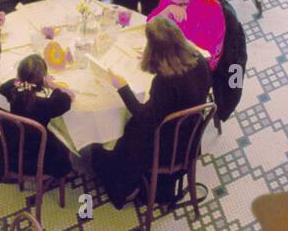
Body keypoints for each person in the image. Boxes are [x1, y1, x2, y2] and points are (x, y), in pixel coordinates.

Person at [84, 17, 212, 208]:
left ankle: (123, 184)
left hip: (165, 148)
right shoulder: (199, 60)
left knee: (126, 135)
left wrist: (123, 87)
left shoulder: (164, 82)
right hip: (190, 139)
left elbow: (144, 118)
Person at [0, 55, 75, 180]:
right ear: (42, 80)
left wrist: (28, 82)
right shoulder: (46, 105)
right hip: (34, 158)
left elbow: (8, 86)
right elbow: (66, 98)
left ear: (19, 75)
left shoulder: (10, 88)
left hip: (8, 149)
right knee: (63, 150)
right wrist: (52, 85)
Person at [148, 0, 226, 68]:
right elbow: (150, 23)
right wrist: (166, 12)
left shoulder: (211, 8)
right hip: (169, 54)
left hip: (194, 64)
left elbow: (209, 53)